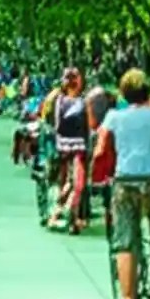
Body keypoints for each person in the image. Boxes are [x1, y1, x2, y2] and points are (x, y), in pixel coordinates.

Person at [94, 68, 150, 299]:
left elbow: (101, 149)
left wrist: (99, 171)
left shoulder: (114, 116)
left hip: (126, 178)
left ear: (123, 93)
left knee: (125, 240)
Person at [43, 68, 89, 233]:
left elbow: (54, 125)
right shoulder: (82, 101)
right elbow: (88, 126)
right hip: (77, 148)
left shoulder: (57, 100)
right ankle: (68, 215)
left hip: (62, 146)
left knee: (68, 182)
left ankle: (61, 215)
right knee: (77, 183)